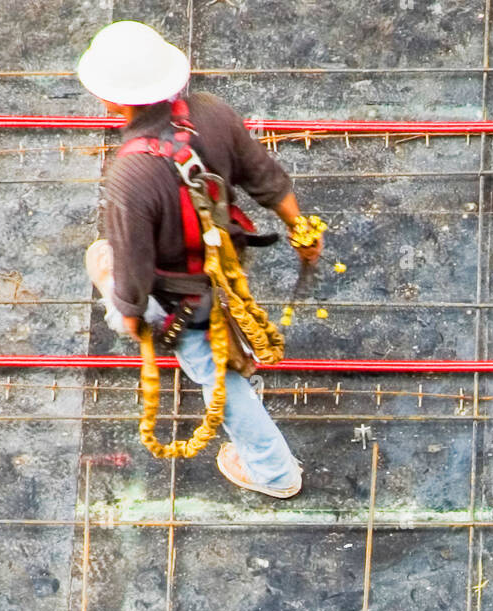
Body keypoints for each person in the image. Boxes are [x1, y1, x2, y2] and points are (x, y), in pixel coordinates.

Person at [78, 21, 323, 499]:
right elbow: (267, 179)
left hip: (184, 297)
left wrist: (129, 316)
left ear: (111, 99)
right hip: (225, 268)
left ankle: (274, 473)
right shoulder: (211, 113)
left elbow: (134, 266)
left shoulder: (130, 176)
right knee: (106, 256)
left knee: (213, 373)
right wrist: (302, 230)